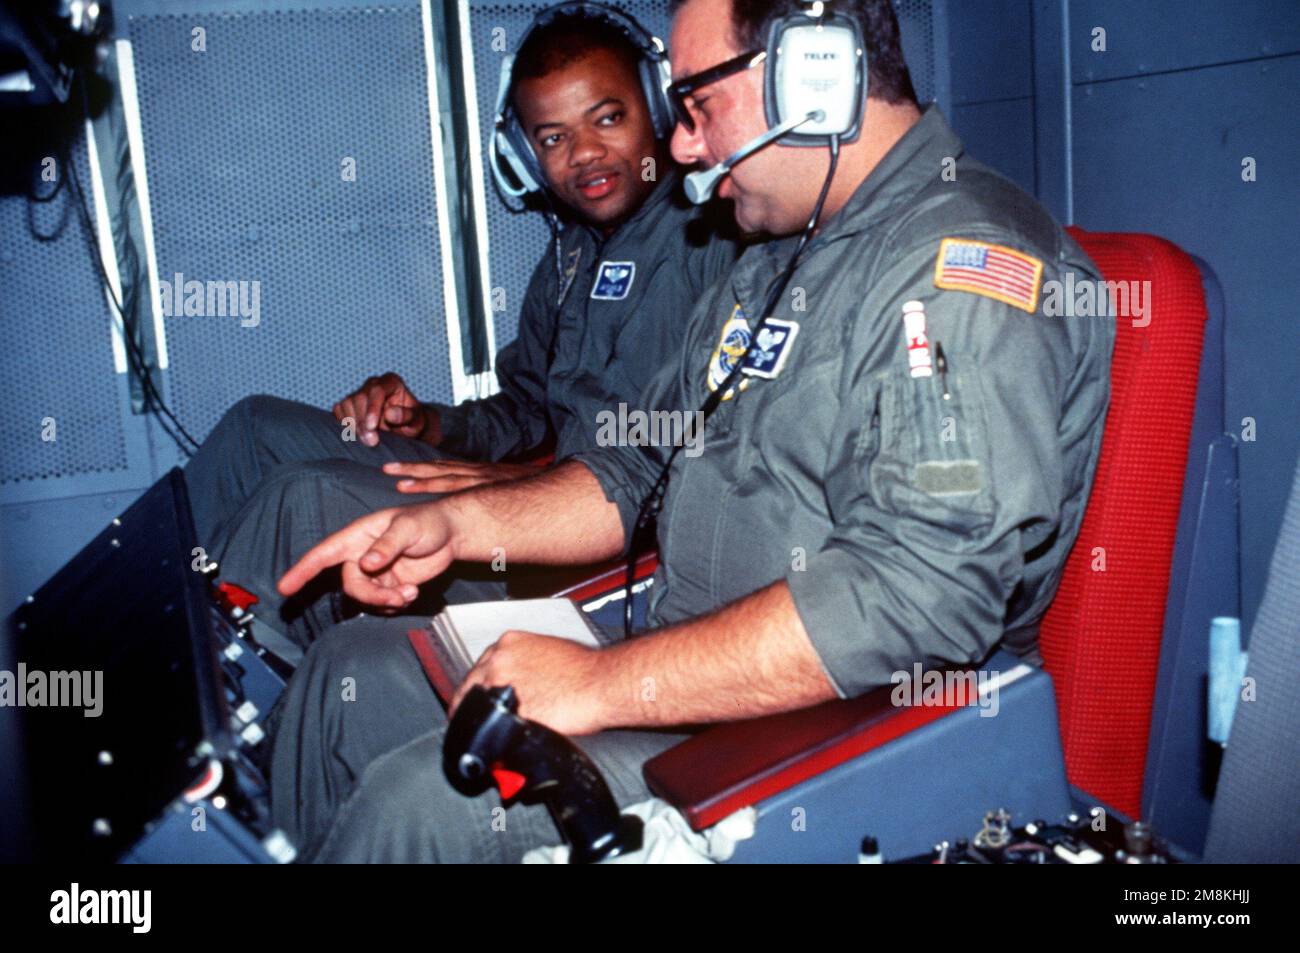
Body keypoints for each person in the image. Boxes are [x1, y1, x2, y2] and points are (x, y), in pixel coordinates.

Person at [267, 0, 1115, 862]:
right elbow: (639, 463)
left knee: (415, 807)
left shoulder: (959, 276)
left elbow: (915, 600)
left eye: (699, 105)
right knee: (350, 678)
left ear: (813, 80)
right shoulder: (776, 259)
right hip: (685, 660)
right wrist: (457, 526)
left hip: (830, 722)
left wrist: (601, 683)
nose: (680, 146)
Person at [181, 3, 740, 652]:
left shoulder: (716, 239)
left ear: (659, 109)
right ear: (526, 155)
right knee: (256, 431)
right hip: (536, 487)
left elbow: (692, 456)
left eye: (608, 118)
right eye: (553, 138)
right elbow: (527, 410)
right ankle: (159, 629)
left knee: (304, 496)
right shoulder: (569, 257)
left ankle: (202, 702)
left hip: (596, 533)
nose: (585, 153)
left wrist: (538, 486)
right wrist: (429, 425)